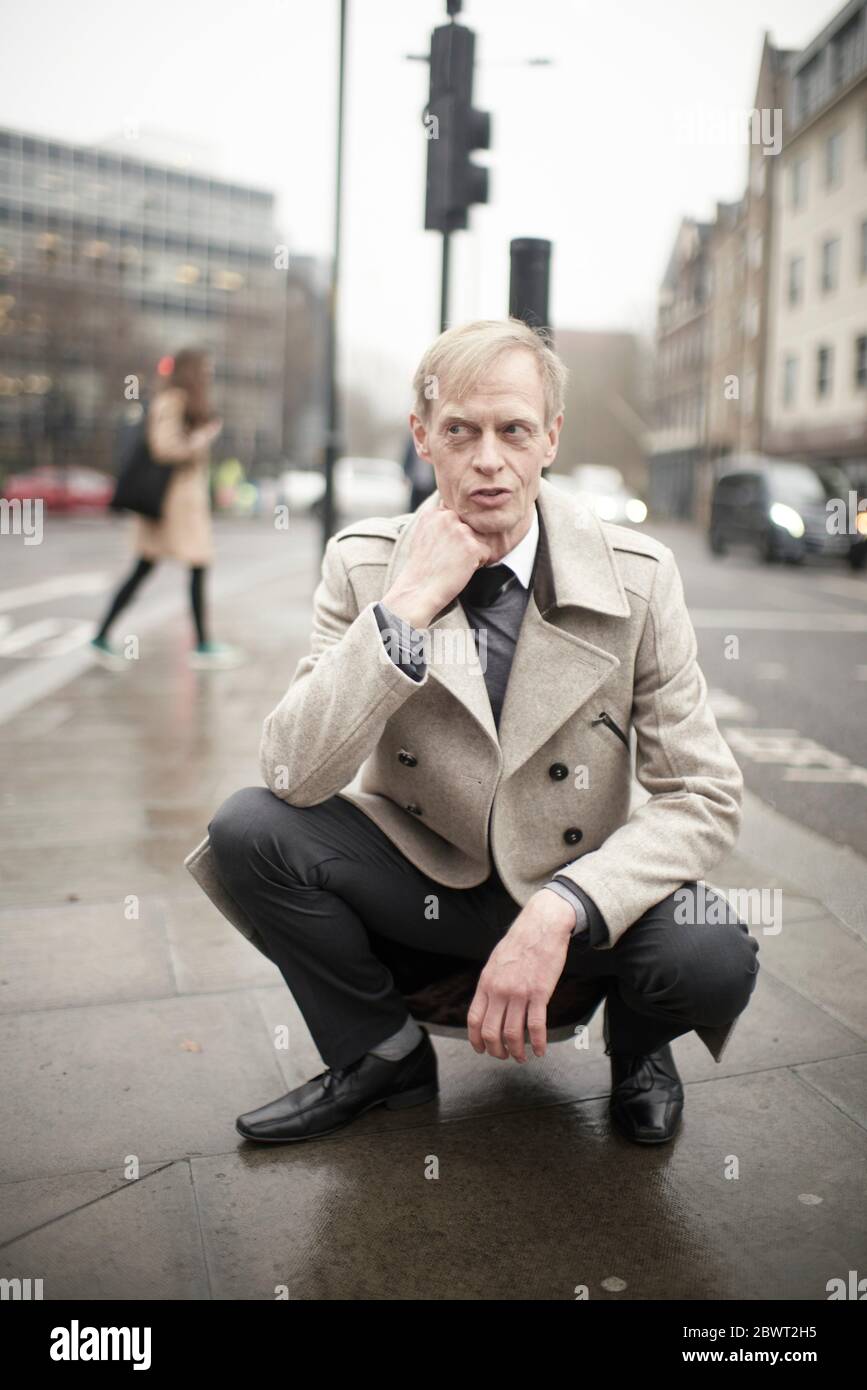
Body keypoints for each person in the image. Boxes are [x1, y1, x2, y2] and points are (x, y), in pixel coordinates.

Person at [191, 318, 760, 1146]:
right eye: (460, 430)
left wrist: (564, 907)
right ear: (422, 436)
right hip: (428, 883)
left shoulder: (636, 579)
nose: (488, 459)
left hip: (576, 890)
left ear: (550, 438)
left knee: (709, 953)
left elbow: (702, 795)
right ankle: (380, 1054)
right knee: (248, 828)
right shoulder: (363, 564)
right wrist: (406, 607)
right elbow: (293, 772)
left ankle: (638, 1048)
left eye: (513, 430)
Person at [91, 349, 241, 670]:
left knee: (150, 567)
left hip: (177, 505)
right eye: (205, 369)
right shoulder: (172, 400)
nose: (209, 375)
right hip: (172, 506)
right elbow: (165, 447)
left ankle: (102, 635)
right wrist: (202, 438)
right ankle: (201, 645)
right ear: (191, 371)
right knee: (194, 563)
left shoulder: (181, 401)